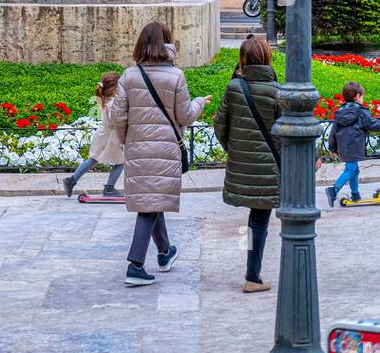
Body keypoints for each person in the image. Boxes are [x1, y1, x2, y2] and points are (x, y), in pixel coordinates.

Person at [111, 20, 209, 286]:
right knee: (151, 203)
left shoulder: (129, 75)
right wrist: (200, 103)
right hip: (165, 150)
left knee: (151, 198)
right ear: (167, 45)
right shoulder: (175, 76)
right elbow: (185, 115)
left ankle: (165, 252)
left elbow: (116, 115)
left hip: (138, 149)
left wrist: (128, 140)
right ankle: (136, 264)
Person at [213, 35, 281, 293]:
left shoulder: (234, 88)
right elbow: (285, 133)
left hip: (244, 167)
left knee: (257, 221)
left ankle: (253, 274)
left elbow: (220, 126)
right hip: (270, 169)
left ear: (243, 59)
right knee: (263, 219)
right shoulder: (277, 91)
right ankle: (253, 277)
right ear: (267, 58)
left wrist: (235, 150)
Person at [62, 71, 124, 201]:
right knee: (120, 162)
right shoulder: (113, 103)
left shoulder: (105, 98)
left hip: (103, 133)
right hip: (111, 136)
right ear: (115, 89)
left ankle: (71, 180)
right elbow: (118, 121)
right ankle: (109, 188)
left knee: (93, 159)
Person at [325, 82, 380, 207]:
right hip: (355, 145)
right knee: (350, 169)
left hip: (343, 146)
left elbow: (334, 130)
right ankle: (333, 190)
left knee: (354, 170)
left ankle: (355, 194)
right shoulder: (361, 111)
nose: (362, 99)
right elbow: (371, 124)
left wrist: (332, 148)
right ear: (357, 96)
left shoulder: (340, 111)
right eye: (362, 97)